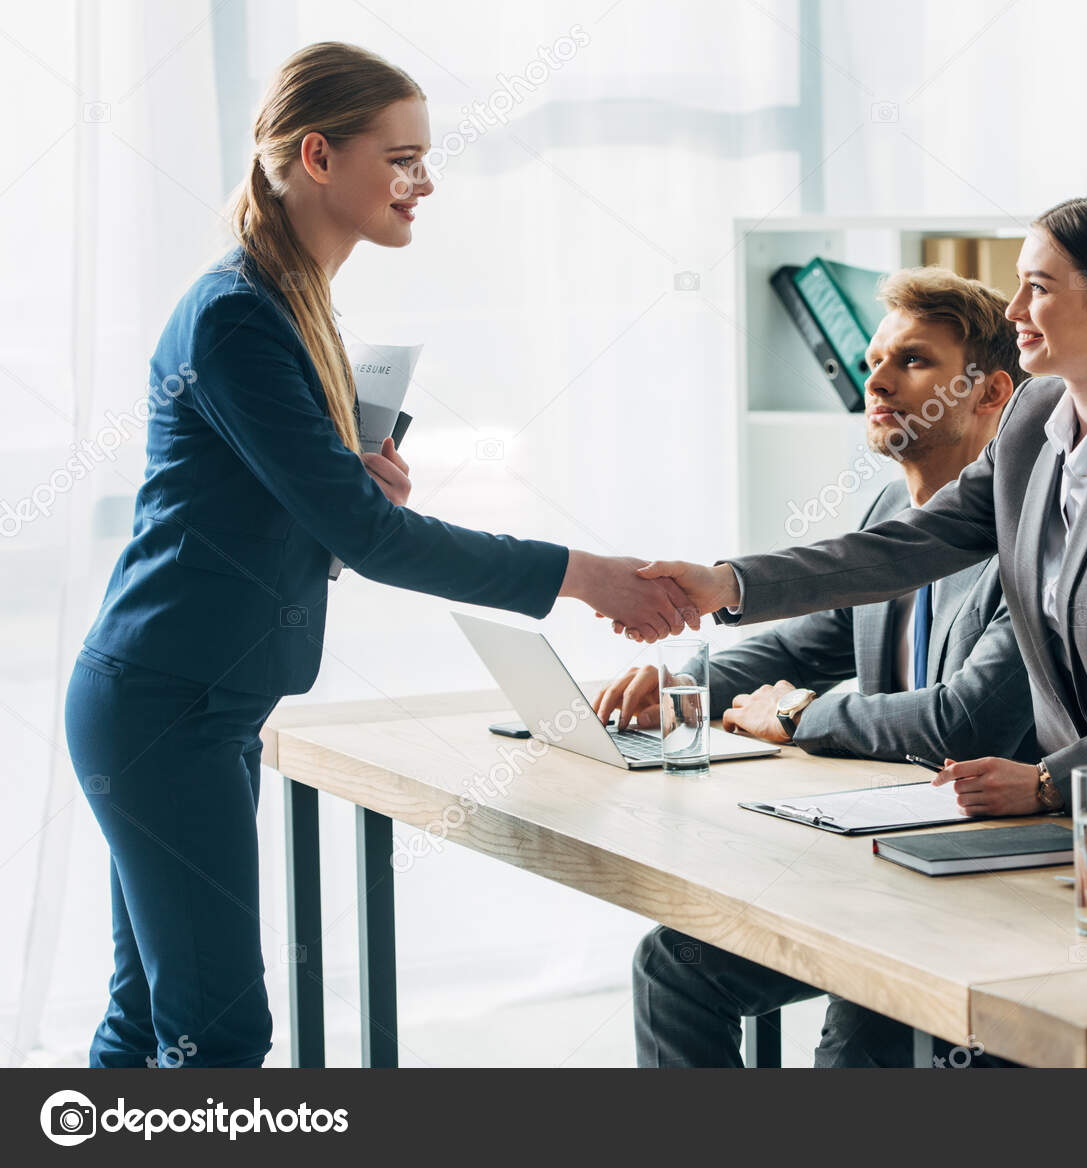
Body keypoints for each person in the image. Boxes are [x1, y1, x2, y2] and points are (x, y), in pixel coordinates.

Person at [62, 42, 694, 1069]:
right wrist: (587, 575)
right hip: (167, 707)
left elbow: (302, 521)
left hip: (188, 700)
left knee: (152, 1022)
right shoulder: (240, 315)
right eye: (402, 159)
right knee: (217, 1034)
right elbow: (377, 543)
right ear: (318, 156)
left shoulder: (287, 302)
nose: (424, 182)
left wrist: (344, 491)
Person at [631, 191, 1087, 820]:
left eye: (1038, 288)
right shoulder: (1032, 418)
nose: (1015, 308)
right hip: (1052, 817)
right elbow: (909, 544)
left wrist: (1052, 781)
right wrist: (727, 584)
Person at [619, 267, 1037, 1067]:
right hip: (877, 849)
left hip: (979, 871)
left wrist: (799, 717)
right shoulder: (890, 511)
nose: (875, 381)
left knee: (853, 1058)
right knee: (674, 966)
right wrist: (680, 689)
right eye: (875, 360)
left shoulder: (1030, 539)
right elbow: (804, 645)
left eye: (913, 361)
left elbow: (964, 722)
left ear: (991, 394)